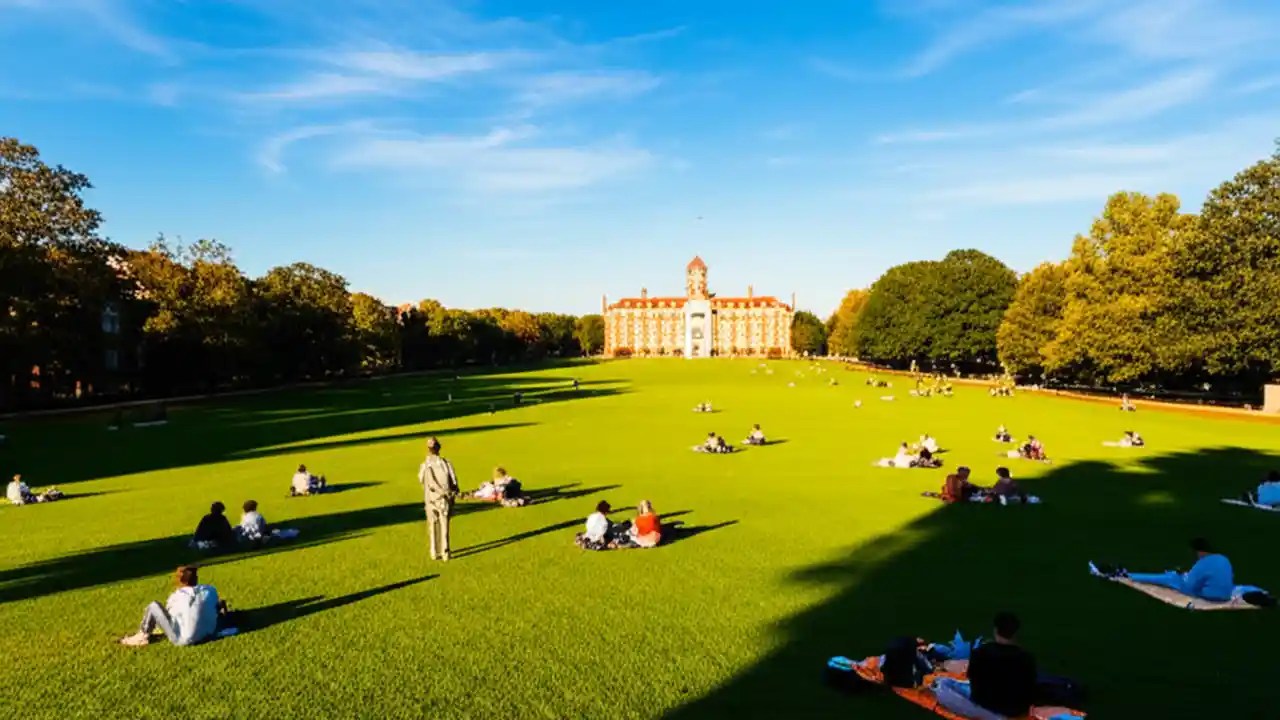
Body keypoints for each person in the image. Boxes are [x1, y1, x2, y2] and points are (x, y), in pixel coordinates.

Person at [934, 612, 1037, 720]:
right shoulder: (1027, 658)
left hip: (985, 705)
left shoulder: (981, 652)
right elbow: (1030, 687)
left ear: (995, 630)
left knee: (943, 683)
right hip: (1016, 709)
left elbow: (971, 678)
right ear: (1016, 633)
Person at [119, 565, 225, 647]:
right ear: (196, 578)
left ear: (179, 580)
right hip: (209, 633)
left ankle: (142, 635)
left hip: (182, 639)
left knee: (153, 606)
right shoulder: (210, 590)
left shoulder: (177, 595)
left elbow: (170, 616)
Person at [1100, 538, 1234, 602]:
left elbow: (1189, 587)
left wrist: (1180, 577)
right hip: (1225, 594)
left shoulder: (1202, 563)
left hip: (1211, 596)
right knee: (1175, 576)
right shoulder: (1223, 558)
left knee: (1171, 578)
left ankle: (1127, 575)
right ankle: (1127, 574)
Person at [418, 437, 459, 562]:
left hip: (431, 498)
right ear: (438, 448)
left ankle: (434, 551)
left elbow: (420, 479)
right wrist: (453, 492)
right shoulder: (446, 463)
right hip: (444, 498)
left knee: (433, 525)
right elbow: (454, 481)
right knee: (444, 525)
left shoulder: (425, 465)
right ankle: (445, 551)